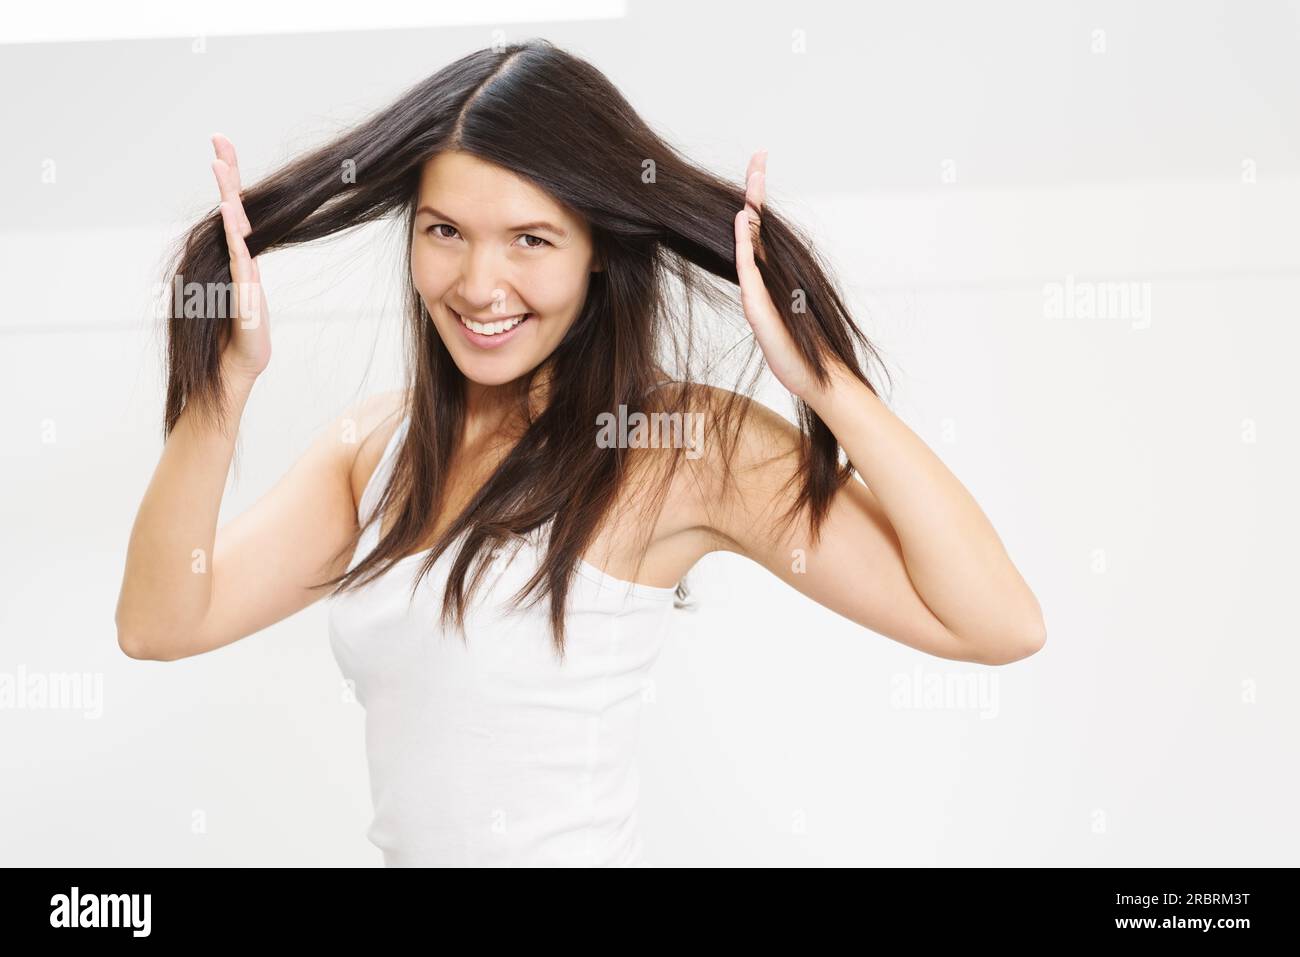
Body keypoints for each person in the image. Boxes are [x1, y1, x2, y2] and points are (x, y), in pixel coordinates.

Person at [115, 39, 1045, 866]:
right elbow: (160, 623)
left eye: (531, 239)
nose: (481, 285)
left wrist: (826, 385)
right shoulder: (377, 449)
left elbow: (996, 622)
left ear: (598, 246)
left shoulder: (682, 451)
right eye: (445, 232)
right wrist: (222, 388)